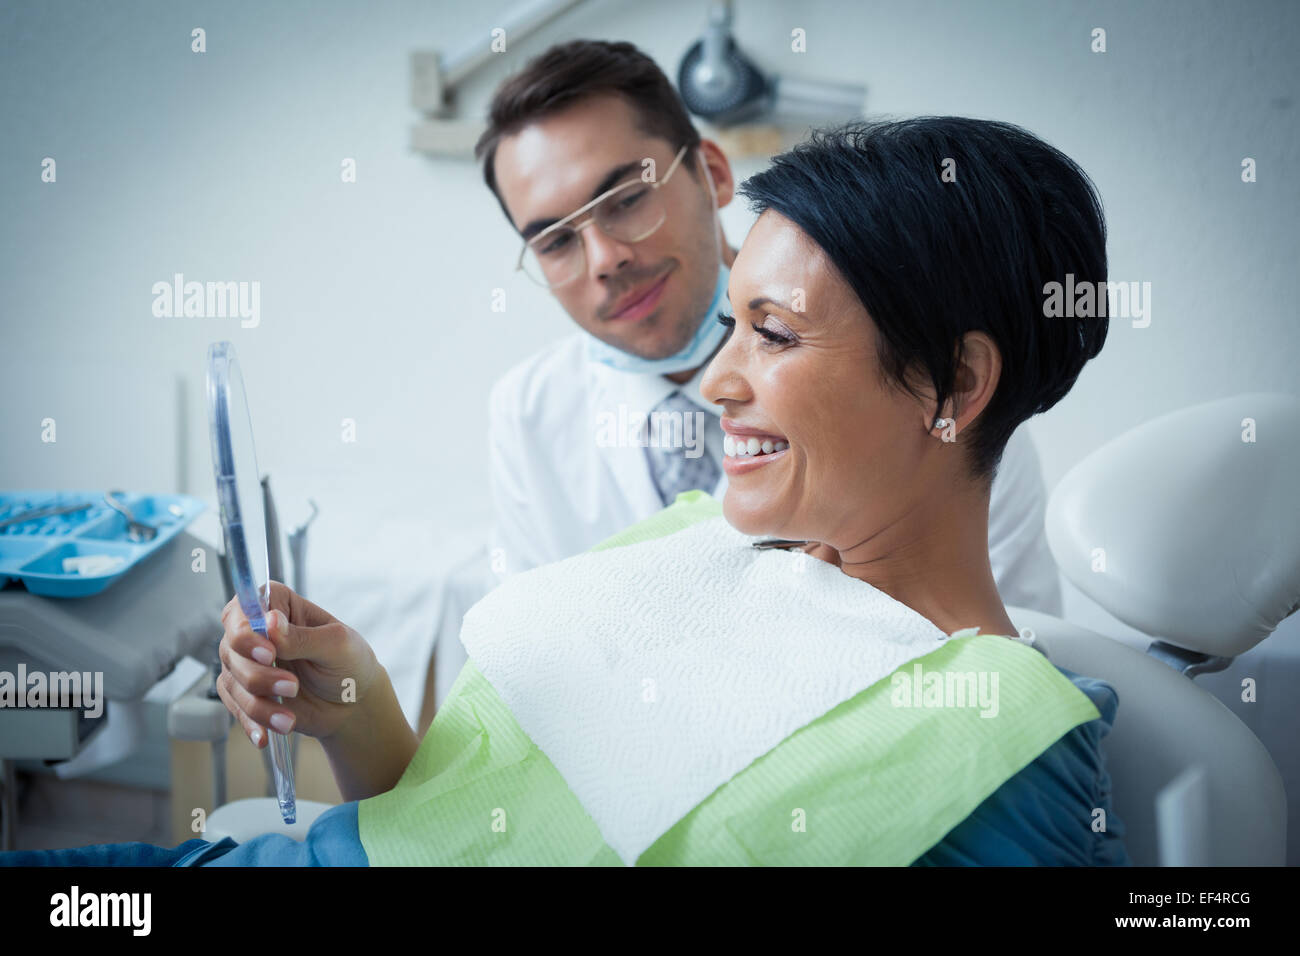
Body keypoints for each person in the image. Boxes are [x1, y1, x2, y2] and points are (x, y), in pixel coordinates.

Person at [1, 116, 1126, 867]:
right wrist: (355, 704)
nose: (720, 379)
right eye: (734, 321)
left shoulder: (1001, 750)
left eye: (774, 334)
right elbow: (467, 819)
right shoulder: (691, 546)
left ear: (955, 383)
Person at [422, 40, 1064, 726]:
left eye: (627, 198)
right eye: (554, 241)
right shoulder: (528, 414)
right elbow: (542, 671)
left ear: (712, 173)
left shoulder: (933, 420)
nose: (605, 259)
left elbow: (1002, 667)